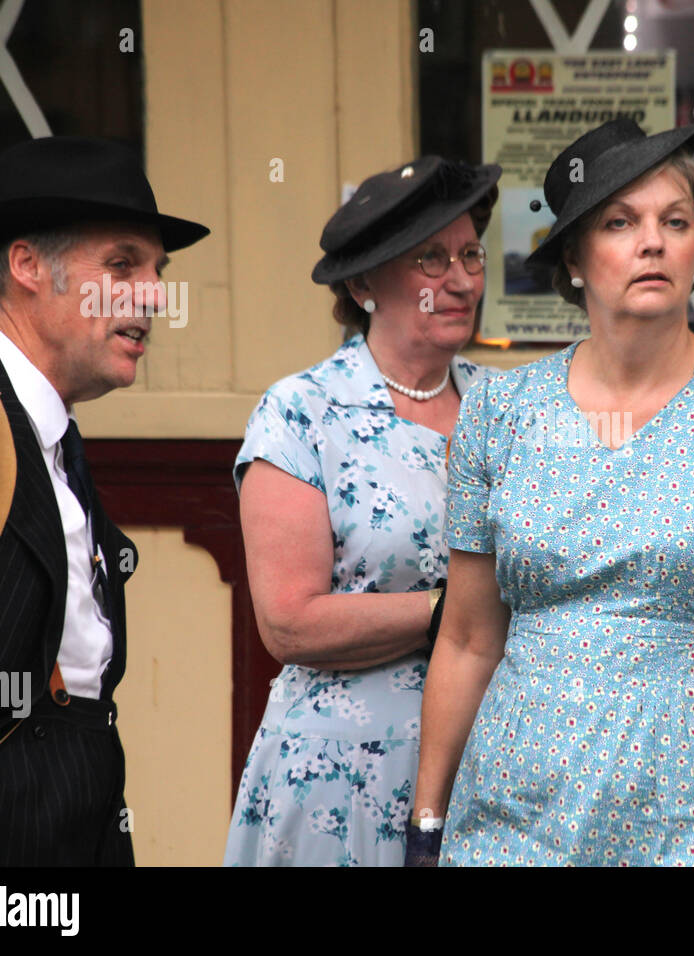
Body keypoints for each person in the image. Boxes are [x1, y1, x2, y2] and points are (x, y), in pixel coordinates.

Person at [408, 117, 694, 866]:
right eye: (620, 222)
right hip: (524, 807)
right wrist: (426, 821)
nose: (652, 241)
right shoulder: (500, 415)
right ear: (573, 257)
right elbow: (467, 640)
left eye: (676, 221)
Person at [0, 136, 209, 865]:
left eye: (157, 272)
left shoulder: (51, 438)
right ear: (26, 265)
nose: (153, 294)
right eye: (121, 265)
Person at [223, 156, 500, 866]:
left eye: (471, 253)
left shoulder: (510, 408)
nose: (463, 279)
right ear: (363, 284)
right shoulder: (303, 411)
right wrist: (452, 611)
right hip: (344, 781)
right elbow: (289, 621)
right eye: (432, 258)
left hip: (494, 767)